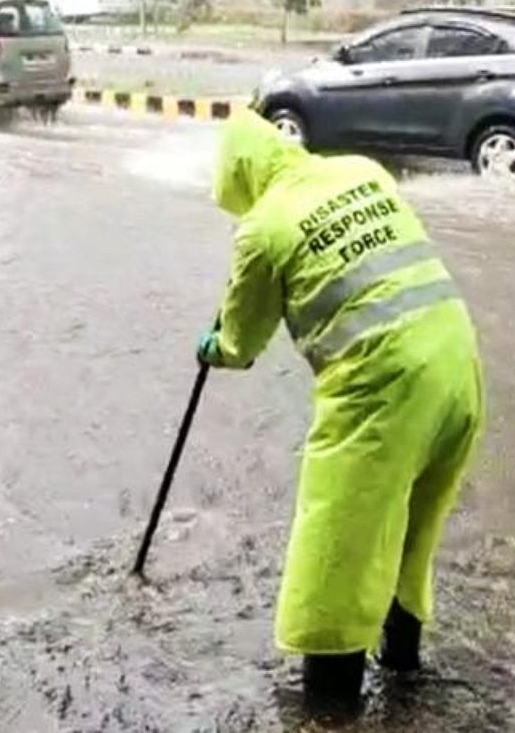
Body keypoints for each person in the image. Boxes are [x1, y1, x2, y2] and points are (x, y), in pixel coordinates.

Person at [196, 109, 485, 711]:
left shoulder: (262, 228)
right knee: (412, 522)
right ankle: (403, 667)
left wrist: (215, 346)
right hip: (457, 359)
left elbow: (240, 343)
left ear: (243, 177)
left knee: (340, 543)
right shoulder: (362, 171)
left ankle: (330, 706)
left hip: (380, 384)